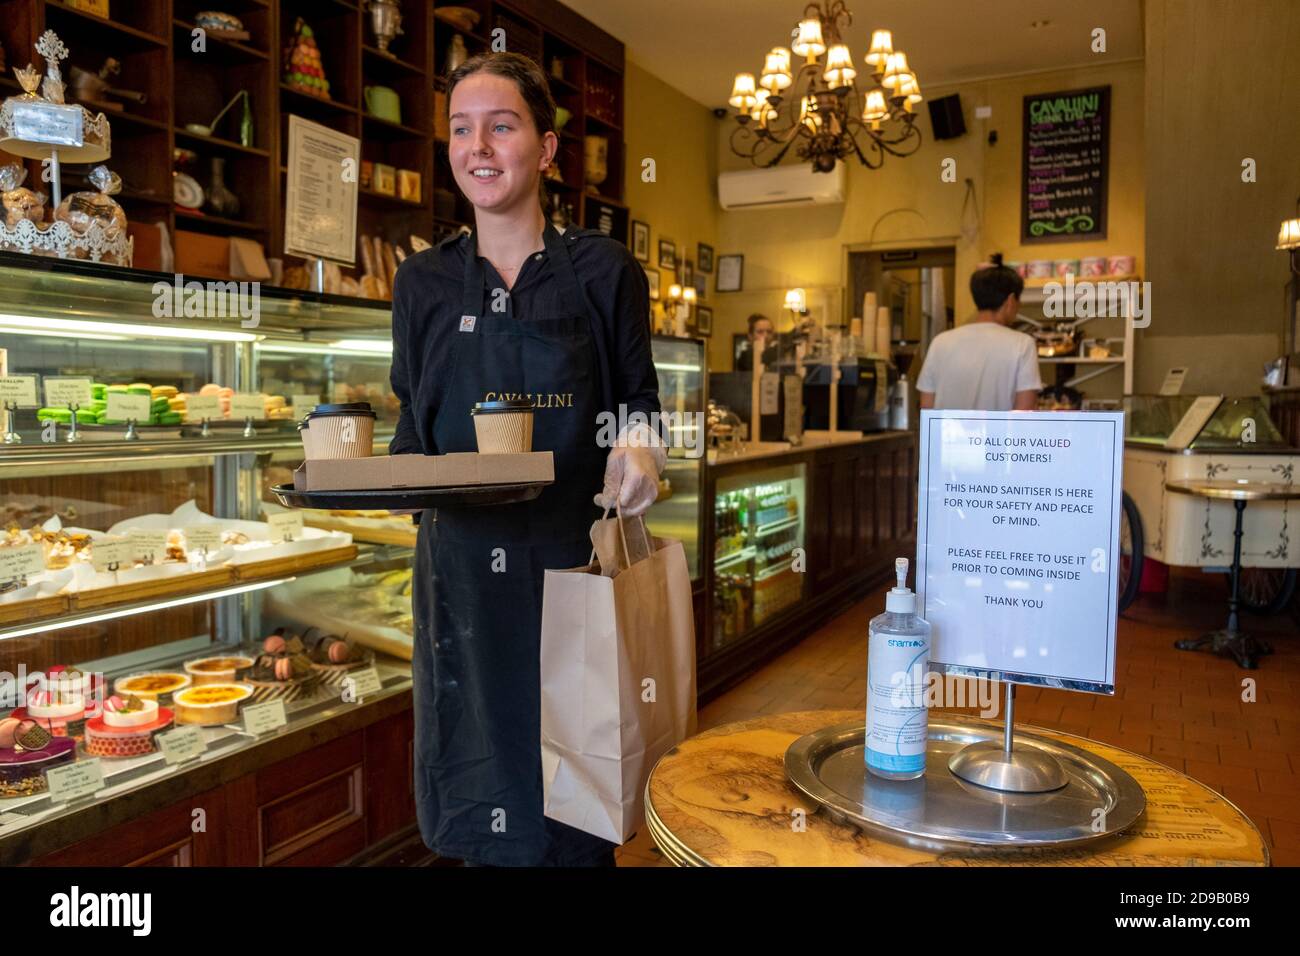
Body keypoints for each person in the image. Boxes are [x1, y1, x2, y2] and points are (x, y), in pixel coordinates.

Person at [388, 52, 666, 867]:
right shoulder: (422, 283)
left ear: (545, 149)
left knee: (578, 790)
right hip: (464, 578)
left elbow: (638, 404)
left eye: (501, 126)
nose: (479, 146)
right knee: (483, 786)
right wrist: (385, 482)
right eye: (462, 130)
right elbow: (415, 420)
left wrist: (640, 449)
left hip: (571, 568)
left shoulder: (604, 270)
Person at [916, 255, 1042, 411]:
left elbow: (926, 407)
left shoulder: (940, 342)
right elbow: (1024, 412)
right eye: (1018, 300)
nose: (1019, 305)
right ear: (1010, 301)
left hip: (946, 435)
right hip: (997, 436)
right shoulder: (1023, 344)